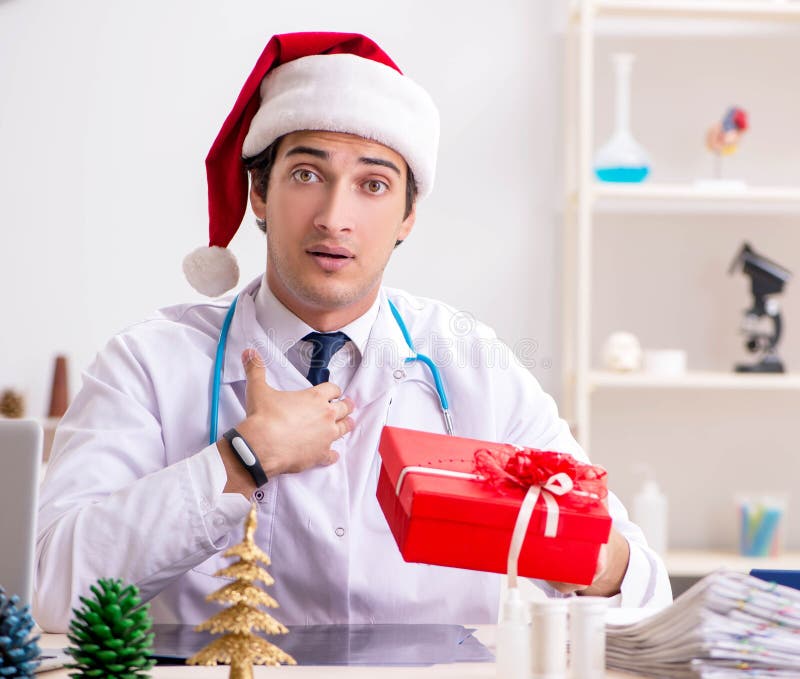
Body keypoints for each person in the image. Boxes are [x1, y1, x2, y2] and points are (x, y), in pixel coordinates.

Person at [34, 31, 672, 632]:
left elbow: (644, 596)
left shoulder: (476, 366)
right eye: (308, 175)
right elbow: (52, 589)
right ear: (259, 192)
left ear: (408, 216)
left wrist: (559, 538)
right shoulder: (147, 362)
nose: (335, 218)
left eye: (373, 185)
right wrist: (240, 462)